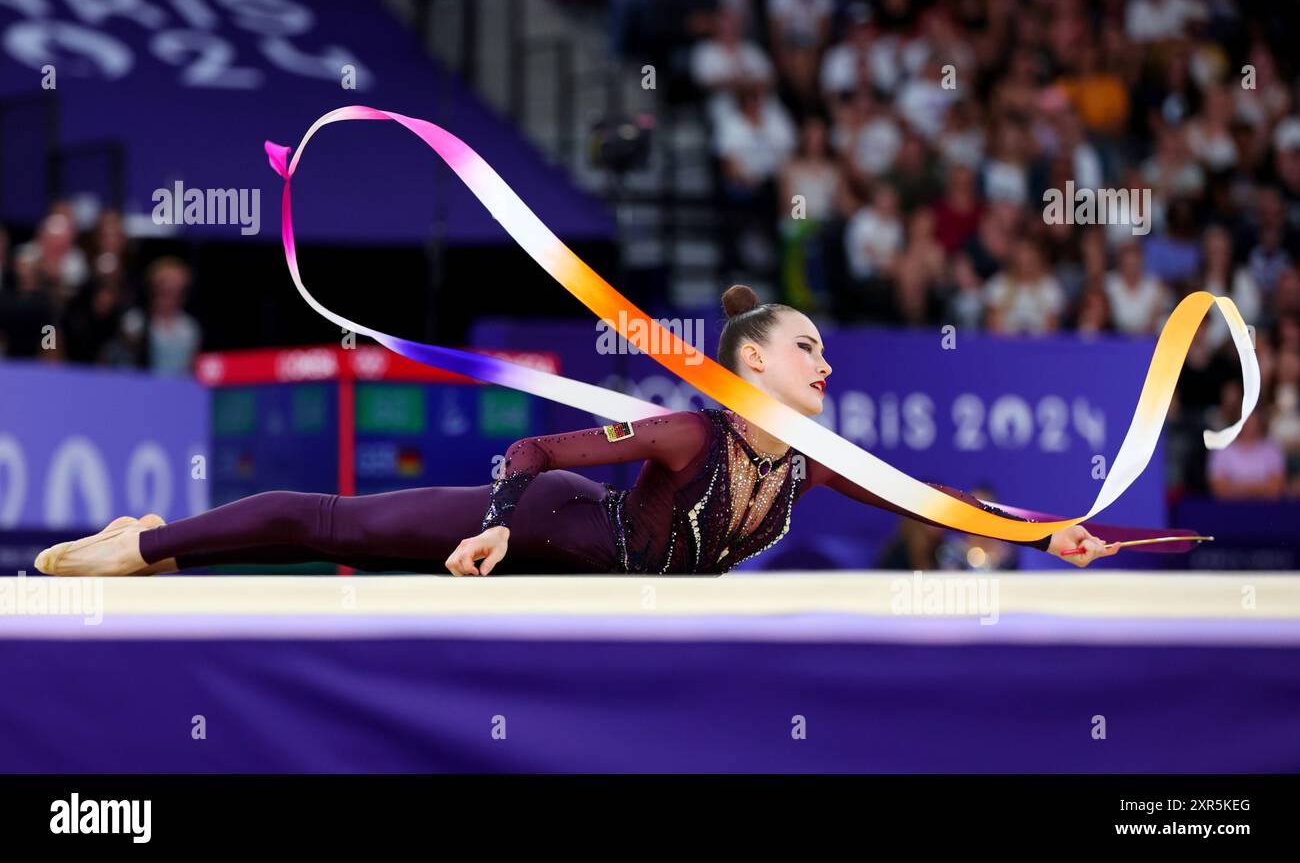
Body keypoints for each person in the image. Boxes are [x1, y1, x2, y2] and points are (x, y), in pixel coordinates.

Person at [34, 285, 1117, 577]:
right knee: (333, 524)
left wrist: (1049, 530)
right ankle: (141, 544)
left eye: (826, 355)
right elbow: (534, 451)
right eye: (806, 351)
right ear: (749, 362)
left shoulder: (816, 466)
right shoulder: (691, 435)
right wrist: (502, 526)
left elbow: (936, 502)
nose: (826, 367)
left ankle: (149, 536)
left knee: (341, 530)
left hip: (582, 569)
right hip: (548, 522)